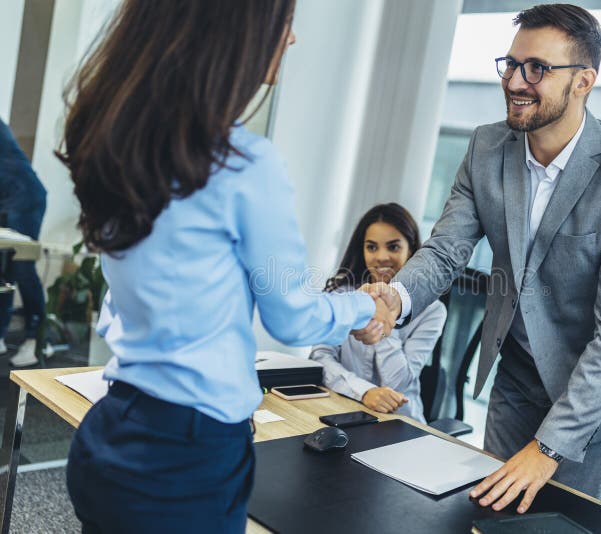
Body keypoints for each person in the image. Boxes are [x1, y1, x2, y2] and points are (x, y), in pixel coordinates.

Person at [56, 1, 392, 532]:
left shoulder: (123, 143)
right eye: (285, 21)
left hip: (114, 428)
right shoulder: (242, 163)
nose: (291, 38)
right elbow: (293, 317)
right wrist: (363, 305)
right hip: (187, 455)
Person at [363, 3, 601, 513]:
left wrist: (548, 448)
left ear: (583, 81)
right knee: (490, 512)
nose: (514, 81)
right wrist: (394, 299)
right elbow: (446, 250)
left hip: (591, 399)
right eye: (510, 64)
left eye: (537, 68)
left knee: (554, 524)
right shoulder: (487, 147)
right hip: (517, 377)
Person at [310, 203, 446, 423]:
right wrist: (364, 391)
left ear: (411, 249)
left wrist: (382, 314)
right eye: (372, 247)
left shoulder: (432, 311)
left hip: (400, 422)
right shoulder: (343, 295)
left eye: (393, 247)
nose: (381, 257)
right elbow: (320, 358)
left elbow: (398, 383)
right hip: (341, 410)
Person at [0, 117, 47, 367]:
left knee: (22, 266)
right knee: (3, 269)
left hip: (26, 196)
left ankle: (35, 340)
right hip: (6, 200)